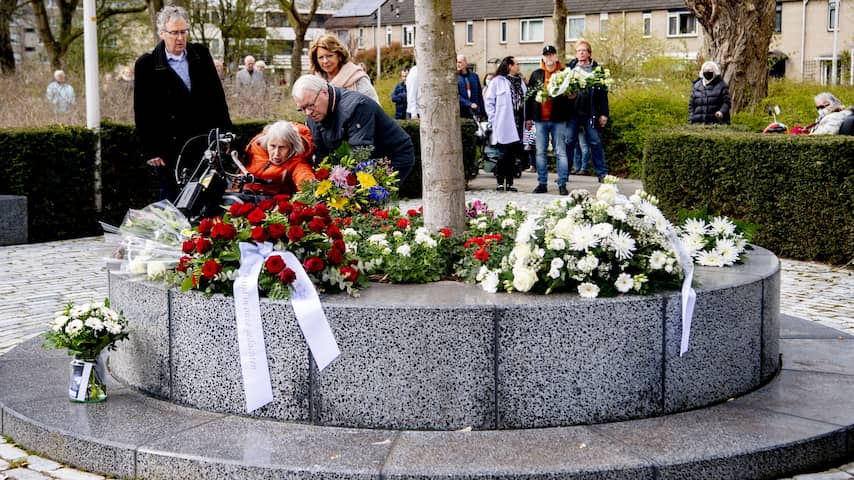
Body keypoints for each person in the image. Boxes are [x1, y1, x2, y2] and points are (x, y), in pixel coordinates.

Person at [134, 5, 232, 200]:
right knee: (173, 200)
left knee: (209, 196)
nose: (180, 38)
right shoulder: (147, 64)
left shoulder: (201, 55)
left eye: (183, 32)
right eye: (174, 33)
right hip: (169, 147)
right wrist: (150, 149)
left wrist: (226, 133)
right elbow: (143, 110)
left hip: (204, 142)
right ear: (162, 33)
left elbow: (217, 98)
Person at [291, 74, 414, 181]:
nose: (307, 112)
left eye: (310, 105)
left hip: (393, 156)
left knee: (373, 200)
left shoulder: (356, 106)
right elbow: (321, 157)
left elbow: (360, 152)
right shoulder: (314, 115)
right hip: (362, 156)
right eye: (302, 109)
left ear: (324, 92)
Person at [526, 45, 571, 195]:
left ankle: (562, 183)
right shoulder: (536, 74)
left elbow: (572, 95)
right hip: (540, 119)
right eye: (546, 55)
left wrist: (572, 96)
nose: (549, 57)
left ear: (556, 57)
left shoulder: (565, 73)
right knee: (540, 152)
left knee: (561, 152)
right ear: (543, 58)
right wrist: (528, 118)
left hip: (559, 119)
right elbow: (530, 97)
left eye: (551, 54)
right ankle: (542, 183)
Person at [565, 39, 609, 183]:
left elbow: (603, 94)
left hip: (591, 113)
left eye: (583, 50)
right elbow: (562, 91)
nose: (581, 53)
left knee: (595, 142)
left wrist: (604, 114)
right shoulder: (569, 69)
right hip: (572, 113)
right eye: (578, 50)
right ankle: (564, 174)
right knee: (569, 142)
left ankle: (602, 174)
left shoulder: (597, 69)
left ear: (589, 53)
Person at [240, 121, 316, 196]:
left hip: (273, 202)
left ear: (292, 147)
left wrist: (311, 189)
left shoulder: (298, 163)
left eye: (282, 147)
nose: (276, 153)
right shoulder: (254, 150)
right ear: (266, 143)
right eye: (272, 146)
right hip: (241, 194)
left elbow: (305, 178)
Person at [484, 56, 526, 192]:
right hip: (503, 122)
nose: (518, 67)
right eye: (516, 64)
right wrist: (493, 118)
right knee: (503, 153)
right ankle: (500, 181)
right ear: (509, 66)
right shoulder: (497, 82)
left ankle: (511, 181)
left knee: (513, 154)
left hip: (518, 121)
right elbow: (489, 101)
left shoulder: (520, 82)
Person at [308, 33, 380, 104]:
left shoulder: (358, 79)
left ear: (339, 56)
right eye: (321, 57)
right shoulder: (316, 84)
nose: (325, 61)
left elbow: (374, 109)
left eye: (329, 56)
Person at [457, 54, 485, 119]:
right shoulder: (455, 77)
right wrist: (469, 104)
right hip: (462, 112)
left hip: (475, 112)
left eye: (460, 62)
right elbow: (456, 96)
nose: (457, 64)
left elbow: (479, 95)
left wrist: (483, 112)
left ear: (465, 63)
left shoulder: (474, 76)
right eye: (457, 62)